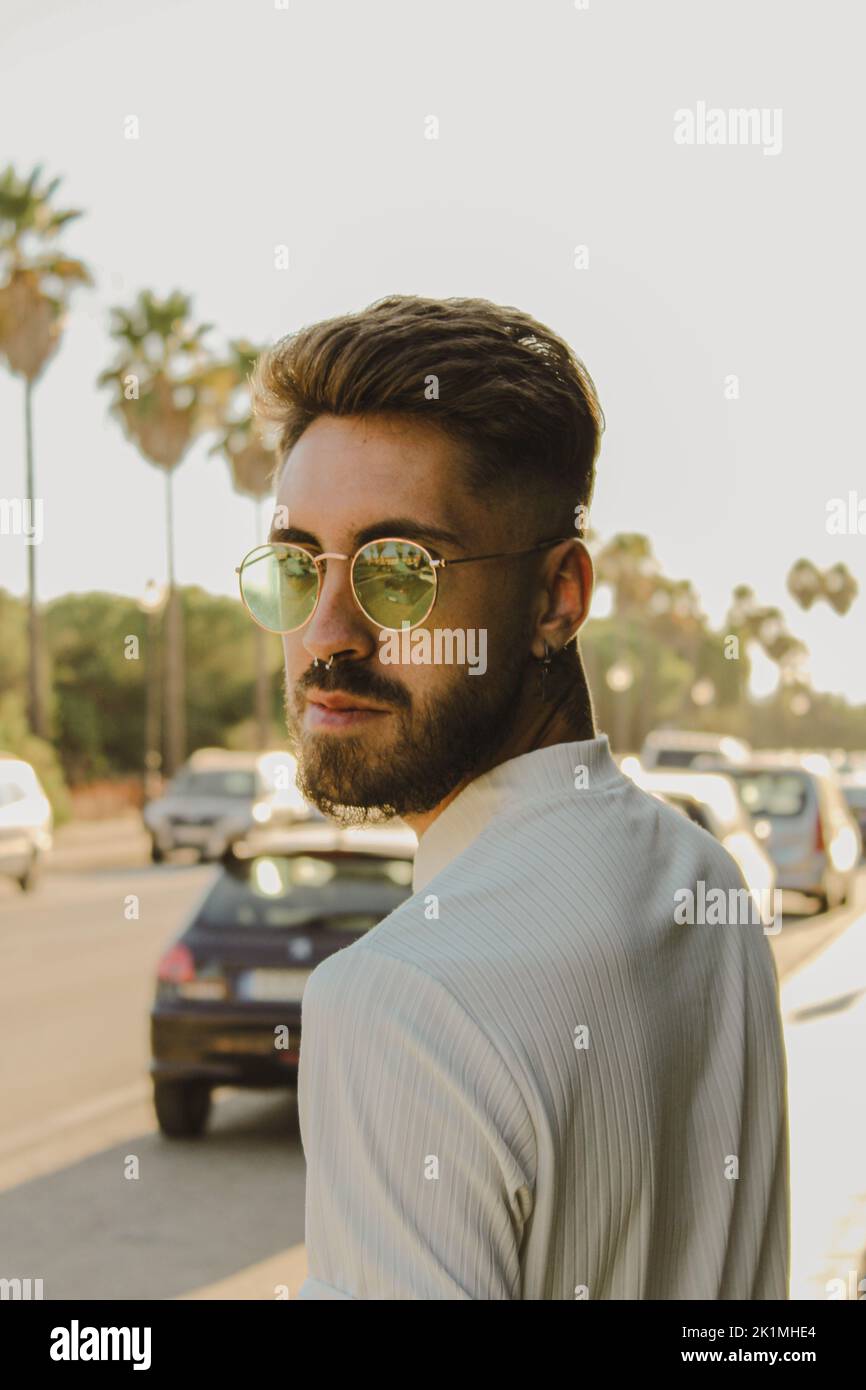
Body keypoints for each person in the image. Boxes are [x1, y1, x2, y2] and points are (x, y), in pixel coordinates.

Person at [238, 294, 790, 1299]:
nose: (326, 633)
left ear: (556, 597)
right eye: (295, 565)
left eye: (398, 570)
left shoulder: (398, 1001)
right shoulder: (704, 882)